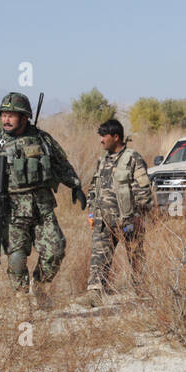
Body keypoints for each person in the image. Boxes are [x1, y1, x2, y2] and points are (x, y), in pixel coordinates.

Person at [0, 92, 85, 307]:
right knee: (16, 256)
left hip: (42, 205)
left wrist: (75, 186)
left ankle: (39, 287)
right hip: (12, 207)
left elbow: (61, 164)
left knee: (56, 249)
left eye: (11, 115)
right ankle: (22, 298)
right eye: (3, 114)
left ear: (25, 117)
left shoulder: (42, 139)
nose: (6, 119)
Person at [78, 118, 154, 307]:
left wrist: (139, 215)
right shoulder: (102, 161)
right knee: (99, 256)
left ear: (116, 137)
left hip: (128, 220)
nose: (101, 140)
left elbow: (144, 190)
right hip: (103, 220)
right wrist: (91, 212)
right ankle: (95, 293)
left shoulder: (132, 158)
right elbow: (94, 188)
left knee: (135, 256)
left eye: (104, 136)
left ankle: (142, 293)